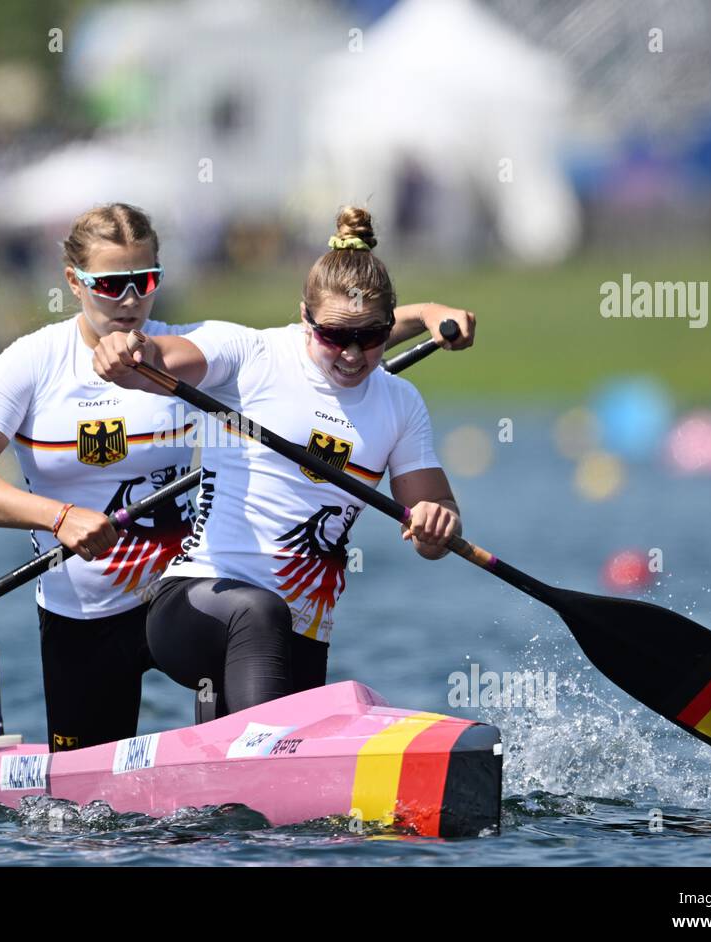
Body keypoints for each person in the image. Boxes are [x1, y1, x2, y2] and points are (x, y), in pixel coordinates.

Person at [0, 203, 473, 748]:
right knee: (91, 818)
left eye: (144, 282)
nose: (129, 300)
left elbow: (320, 339)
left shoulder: (212, 347)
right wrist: (60, 516)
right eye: (112, 285)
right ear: (73, 282)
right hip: (91, 604)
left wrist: (425, 312)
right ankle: (250, 770)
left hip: (203, 591)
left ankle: (240, 785)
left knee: (257, 630)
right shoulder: (33, 362)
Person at [92, 205, 465, 722]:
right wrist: (127, 349)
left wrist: (435, 523)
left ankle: (228, 778)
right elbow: (157, 357)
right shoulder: (252, 354)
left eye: (371, 337)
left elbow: (434, 518)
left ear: (389, 326)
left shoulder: (400, 404)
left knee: (276, 669)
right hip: (196, 604)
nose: (353, 355)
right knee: (259, 611)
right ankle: (260, 756)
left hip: (301, 633)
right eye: (335, 336)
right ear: (305, 317)